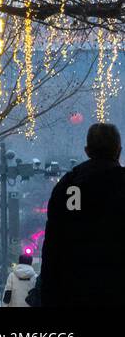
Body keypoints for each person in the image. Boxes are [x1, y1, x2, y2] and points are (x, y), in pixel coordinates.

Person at [39, 123, 125, 307]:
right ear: (118, 150)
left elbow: (53, 244)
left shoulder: (70, 185)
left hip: (74, 291)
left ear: (87, 151)